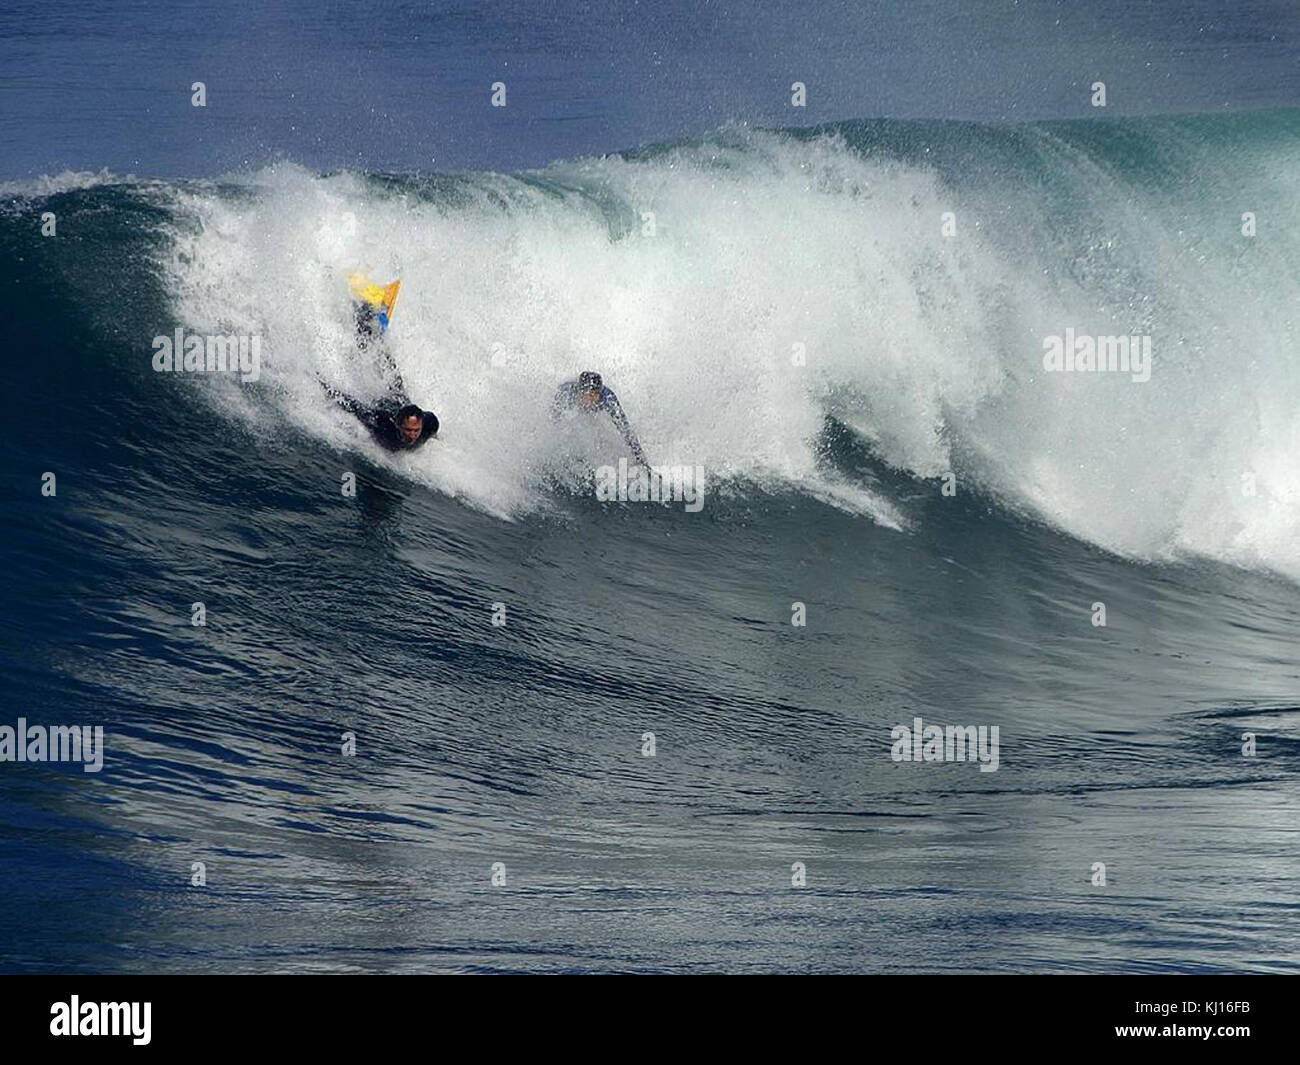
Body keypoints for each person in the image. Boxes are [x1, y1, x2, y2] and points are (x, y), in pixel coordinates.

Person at [319, 302, 438, 451]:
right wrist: (326, 387)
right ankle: (363, 318)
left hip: (400, 397)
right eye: (408, 430)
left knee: (391, 372)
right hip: (387, 404)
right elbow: (355, 407)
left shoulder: (429, 425)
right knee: (380, 361)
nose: (412, 435)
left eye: (416, 430)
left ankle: (378, 337)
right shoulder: (383, 426)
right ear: (398, 425)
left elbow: (430, 421)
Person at [552, 370, 647, 465]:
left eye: (594, 395)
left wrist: (640, 459)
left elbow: (626, 430)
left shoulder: (608, 399)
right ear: (580, 392)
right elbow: (553, 420)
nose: (590, 400)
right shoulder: (566, 394)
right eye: (587, 395)